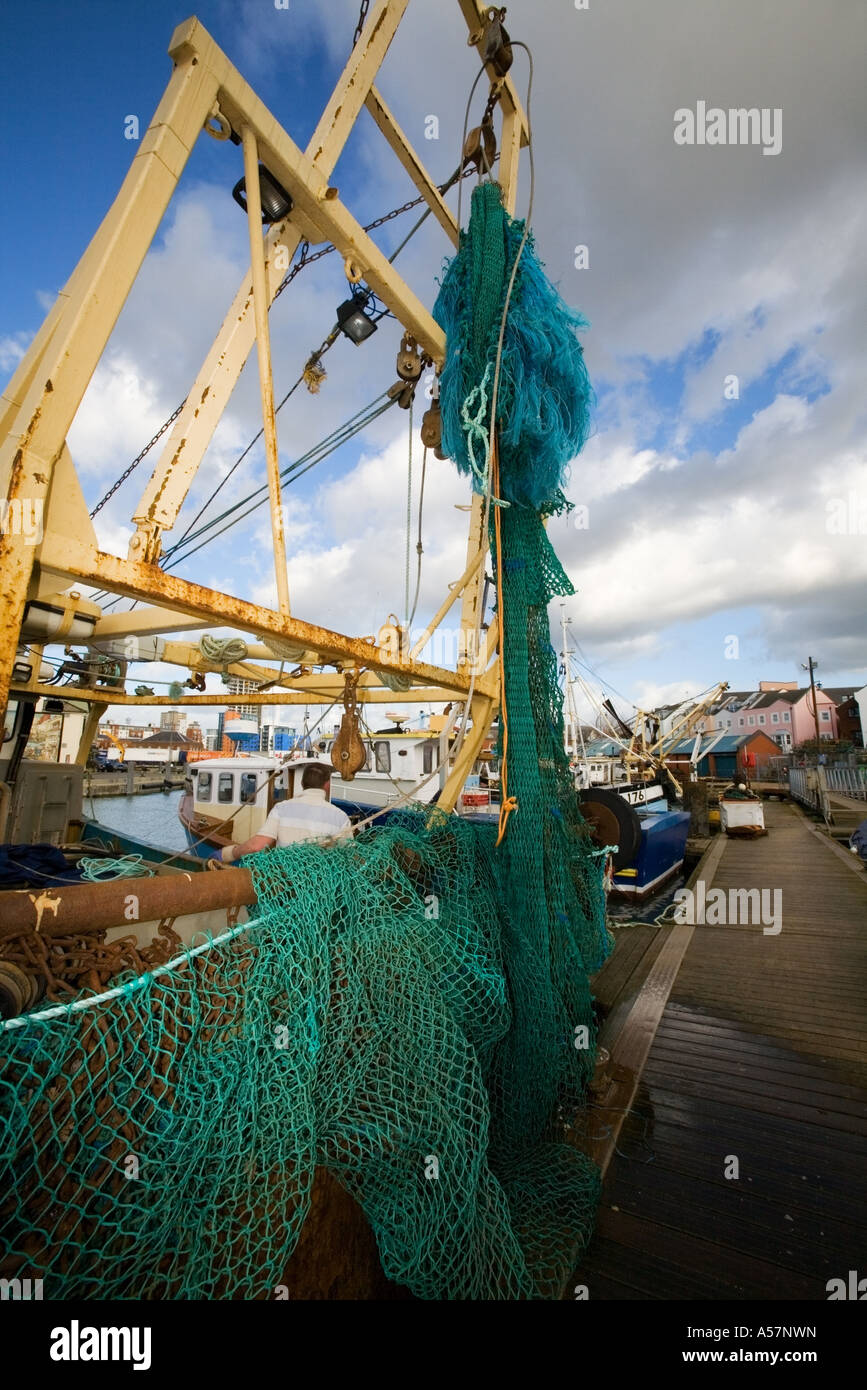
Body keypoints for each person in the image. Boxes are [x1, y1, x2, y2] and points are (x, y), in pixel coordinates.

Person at [220, 762, 350, 863]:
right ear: (327, 785)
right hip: (321, 890)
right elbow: (349, 856)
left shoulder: (281, 808)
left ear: (302, 783)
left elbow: (255, 846)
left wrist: (229, 853)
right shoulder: (341, 817)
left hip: (284, 887)